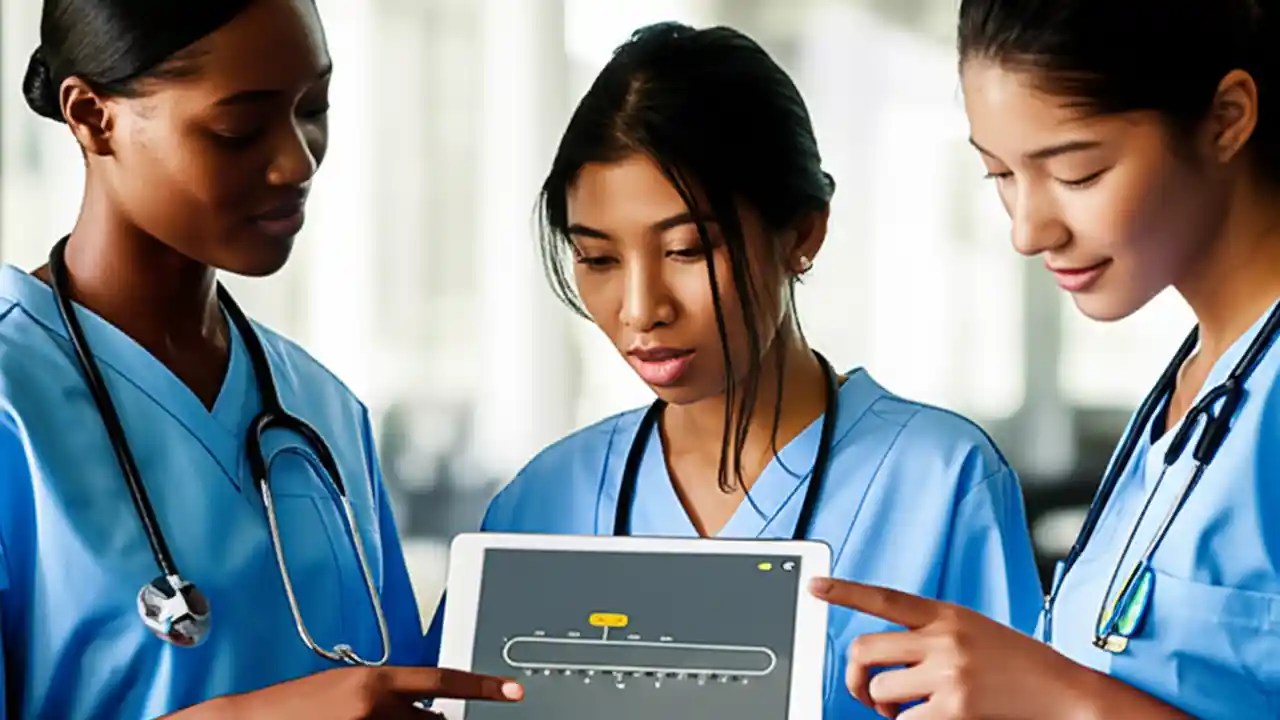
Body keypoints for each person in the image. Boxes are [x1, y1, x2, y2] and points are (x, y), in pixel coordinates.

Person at [427, 22, 1042, 719]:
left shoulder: (940, 481)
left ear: (802, 233)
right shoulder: (541, 503)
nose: (640, 309)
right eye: (598, 259)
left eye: (686, 250)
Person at [0, 1, 522, 717]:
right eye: (238, 129)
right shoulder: (11, 402)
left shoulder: (321, 409)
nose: (296, 161)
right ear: (93, 115)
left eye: (315, 108)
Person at [810, 1, 1280, 718]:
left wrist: (1059, 698)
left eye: (1078, 173)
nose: (1028, 231)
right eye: (999, 174)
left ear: (1225, 118)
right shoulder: (1196, 388)